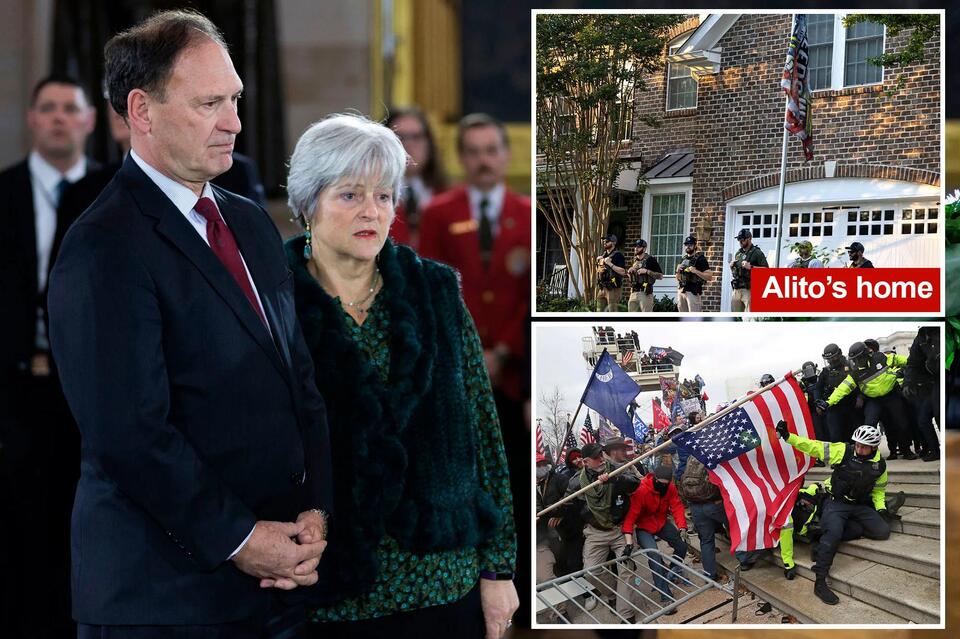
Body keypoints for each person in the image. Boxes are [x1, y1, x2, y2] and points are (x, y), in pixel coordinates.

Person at [47, 11, 333, 637]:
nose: (234, 120)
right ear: (142, 112)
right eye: (210, 103)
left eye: (234, 98)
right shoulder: (103, 246)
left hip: (276, 589)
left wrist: (316, 509)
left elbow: (298, 382)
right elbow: (129, 434)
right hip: (163, 600)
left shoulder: (251, 221)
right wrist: (239, 538)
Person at [284, 113, 517, 638]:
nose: (371, 211)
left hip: (440, 579)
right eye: (350, 195)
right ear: (307, 203)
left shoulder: (433, 289)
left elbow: (484, 430)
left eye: (384, 196)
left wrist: (498, 568)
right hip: (326, 589)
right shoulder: (273, 298)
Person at [0, 72, 97, 638]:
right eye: (49, 108)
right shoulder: (5, 192)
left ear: (89, 120)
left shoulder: (113, 194)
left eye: (70, 108)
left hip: (83, 392)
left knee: (79, 526)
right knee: (19, 532)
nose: (59, 117)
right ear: (32, 119)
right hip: (15, 389)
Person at [775, 421, 890, 605]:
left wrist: (881, 508)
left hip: (858, 505)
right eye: (858, 444)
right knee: (834, 533)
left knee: (882, 531)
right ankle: (819, 581)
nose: (859, 449)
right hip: (835, 503)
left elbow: (878, 491)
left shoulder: (880, 466)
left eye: (864, 447)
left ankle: (820, 541)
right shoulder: (843, 451)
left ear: (874, 447)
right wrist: (789, 437)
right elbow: (814, 446)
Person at [819, 341, 916, 459]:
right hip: (874, 400)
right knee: (868, 426)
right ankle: (870, 454)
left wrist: (909, 372)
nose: (857, 361)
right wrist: (828, 402)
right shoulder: (855, 372)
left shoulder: (881, 357)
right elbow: (842, 389)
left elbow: (907, 361)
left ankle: (906, 450)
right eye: (855, 359)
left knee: (902, 423)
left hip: (892, 396)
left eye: (859, 358)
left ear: (867, 354)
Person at [621, 465, 690, 614]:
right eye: (661, 483)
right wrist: (628, 540)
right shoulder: (641, 490)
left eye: (666, 483)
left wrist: (682, 526)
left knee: (682, 545)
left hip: (661, 522)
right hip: (643, 526)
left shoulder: (670, 488)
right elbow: (631, 517)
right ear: (655, 478)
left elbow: (677, 506)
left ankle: (672, 570)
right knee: (654, 556)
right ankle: (665, 596)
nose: (663, 486)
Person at [578, 443, 636, 620]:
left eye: (601, 454)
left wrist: (615, 479)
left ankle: (626, 615)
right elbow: (567, 502)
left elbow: (635, 483)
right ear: (586, 462)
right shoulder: (577, 481)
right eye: (596, 458)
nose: (602, 459)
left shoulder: (617, 469)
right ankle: (613, 595)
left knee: (626, 569)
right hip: (595, 532)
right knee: (590, 572)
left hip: (620, 530)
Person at [385, 106, 448, 249]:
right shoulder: (371, 198)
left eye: (417, 137)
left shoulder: (447, 195)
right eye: (399, 138)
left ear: (429, 143)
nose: (409, 145)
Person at [902, 327, 941, 461]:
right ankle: (935, 451)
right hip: (935, 381)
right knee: (924, 419)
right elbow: (912, 363)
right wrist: (907, 383)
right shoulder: (921, 338)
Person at [816, 343, 864, 443]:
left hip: (852, 405)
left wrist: (861, 397)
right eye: (828, 359)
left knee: (856, 435)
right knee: (835, 436)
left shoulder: (851, 366)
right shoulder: (826, 371)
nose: (831, 361)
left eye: (833, 357)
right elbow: (818, 389)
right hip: (833, 407)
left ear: (839, 353)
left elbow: (862, 383)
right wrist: (818, 402)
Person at [729, 229, 768, 312]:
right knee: (735, 318)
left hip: (749, 290)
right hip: (737, 289)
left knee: (749, 318)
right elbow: (735, 272)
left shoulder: (757, 253)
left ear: (749, 238)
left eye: (742, 239)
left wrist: (751, 267)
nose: (740, 242)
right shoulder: (738, 254)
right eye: (739, 240)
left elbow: (766, 271)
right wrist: (732, 267)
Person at [676, 235, 711, 312]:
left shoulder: (700, 259)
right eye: (686, 244)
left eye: (690, 244)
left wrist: (696, 271)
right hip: (681, 291)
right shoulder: (683, 259)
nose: (688, 246)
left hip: (693, 292)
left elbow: (709, 276)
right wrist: (677, 271)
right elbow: (678, 278)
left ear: (695, 246)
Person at [627, 238, 663, 312]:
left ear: (644, 249)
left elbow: (660, 276)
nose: (636, 248)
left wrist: (646, 271)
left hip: (645, 294)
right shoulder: (634, 261)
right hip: (633, 293)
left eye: (638, 247)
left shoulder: (650, 260)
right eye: (635, 246)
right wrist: (629, 272)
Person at [596, 234, 627, 311]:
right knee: (599, 311)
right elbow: (599, 271)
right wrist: (599, 263)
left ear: (613, 243)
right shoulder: (603, 255)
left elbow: (623, 272)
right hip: (602, 287)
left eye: (607, 241)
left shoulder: (618, 255)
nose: (604, 243)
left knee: (612, 312)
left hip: (613, 288)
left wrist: (610, 264)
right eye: (603, 241)